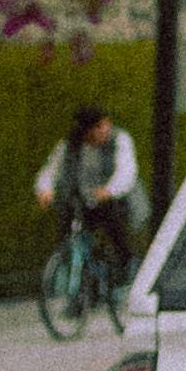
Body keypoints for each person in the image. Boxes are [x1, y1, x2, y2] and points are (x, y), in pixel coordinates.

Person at [35, 103, 140, 288]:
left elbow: (127, 171)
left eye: (103, 126)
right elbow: (52, 169)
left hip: (115, 199)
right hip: (83, 201)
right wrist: (45, 189)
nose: (101, 132)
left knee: (115, 229)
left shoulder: (120, 139)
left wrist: (109, 190)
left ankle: (124, 267)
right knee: (69, 234)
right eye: (95, 129)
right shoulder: (69, 145)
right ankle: (78, 287)